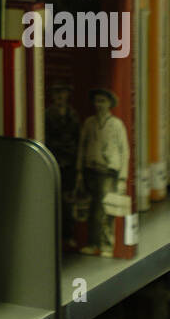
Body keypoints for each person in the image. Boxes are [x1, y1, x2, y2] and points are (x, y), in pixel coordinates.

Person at [75, 87, 130, 256]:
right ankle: (92, 244)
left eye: (103, 101)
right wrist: (79, 172)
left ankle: (106, 245)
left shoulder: (116, 124)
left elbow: (124, 151)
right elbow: (82, 147)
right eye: (97, 101)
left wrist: (122, 178)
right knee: (92, 209)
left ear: (109, 104)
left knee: (106, 209)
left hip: (108, 173)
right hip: (90, 170)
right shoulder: (89, 122)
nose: (99, 104)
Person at [45, 82, 79, 245]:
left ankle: (68, 236)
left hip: (70, 164)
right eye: (57, 93)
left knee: (69, 202)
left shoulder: (73, 115)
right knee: (52, 200)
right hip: (54, 161)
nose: (60, 97)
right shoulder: (46, 115)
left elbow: (78, 138)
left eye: (63, 93)